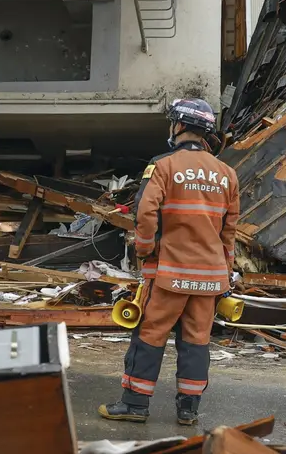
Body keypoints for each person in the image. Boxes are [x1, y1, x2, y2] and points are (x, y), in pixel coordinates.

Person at [99, 98, 239, 427]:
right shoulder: (227, 174)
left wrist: (145, 250)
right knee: (196, 341)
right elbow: (229, 231)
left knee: (150, 335)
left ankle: (135, 404)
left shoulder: (163, 166)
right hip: (209, 278)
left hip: (169, 274)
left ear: (179, 125)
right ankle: (188, 410)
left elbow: (145, 213)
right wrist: (225, 273)